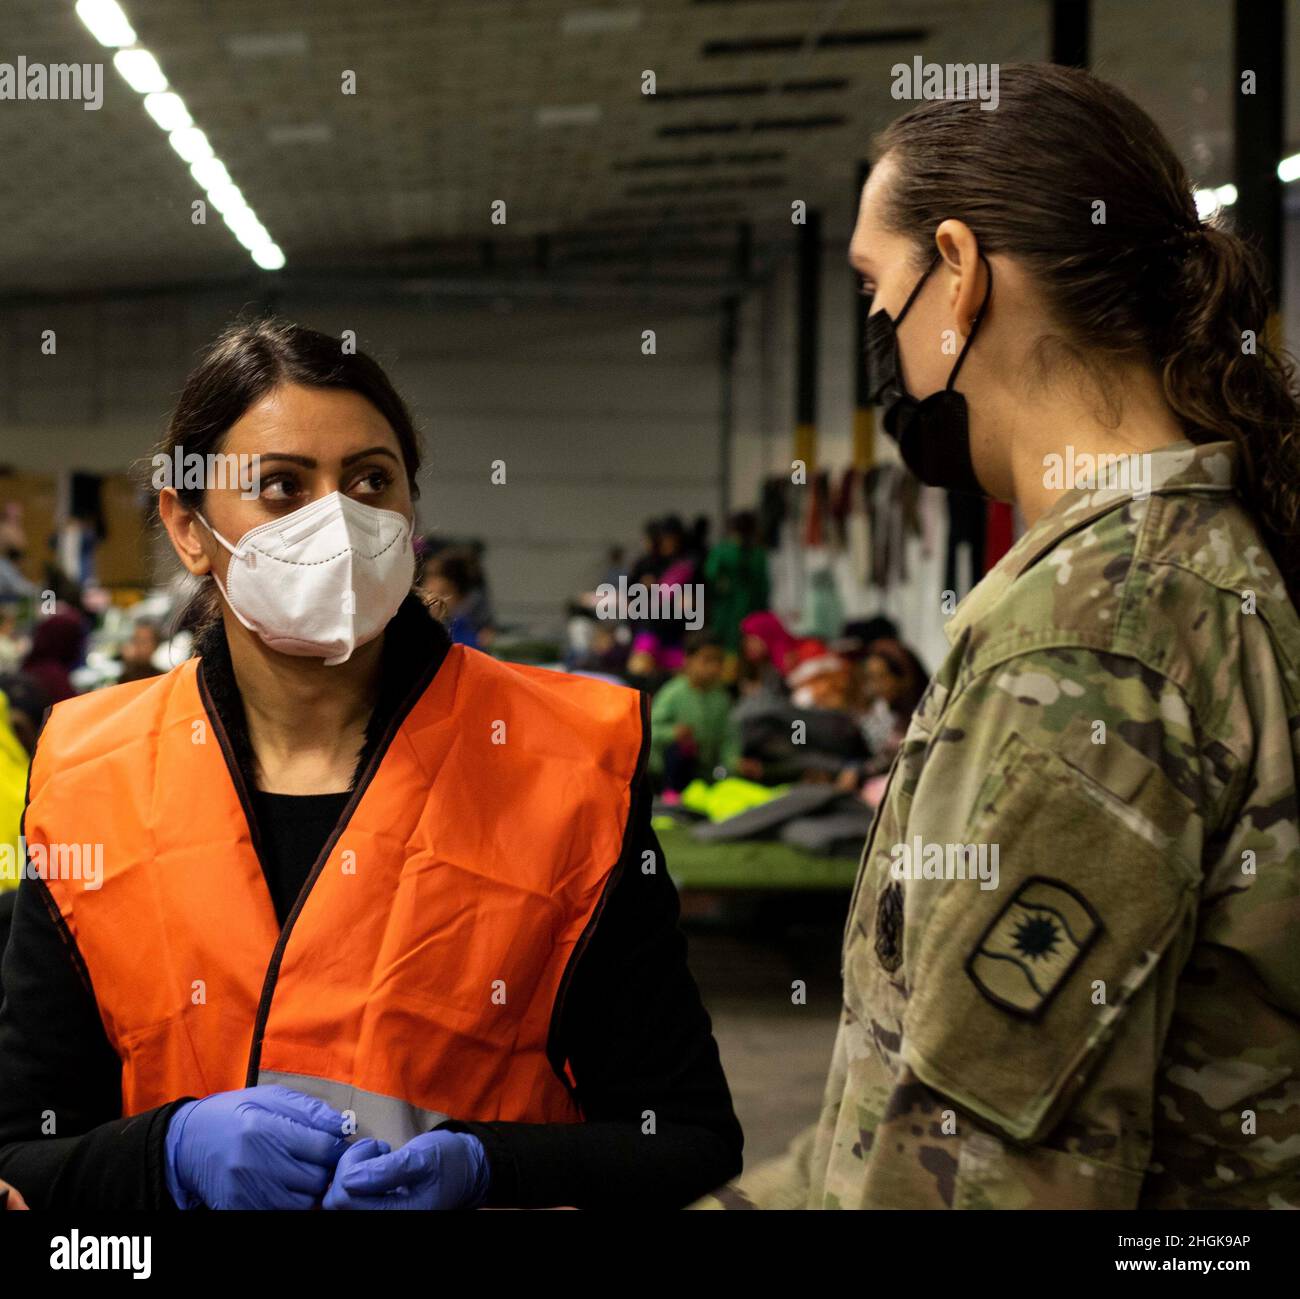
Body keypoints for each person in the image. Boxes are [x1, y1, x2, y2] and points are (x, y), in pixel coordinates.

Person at [697, 63, 1300, 1209]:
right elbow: (884, 1130)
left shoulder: (1091, 643)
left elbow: (975, 1181)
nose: (876, 325)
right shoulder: (1195, 560)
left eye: (878, 285)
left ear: (960, 274)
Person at [0, 317, 741, 1212]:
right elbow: (23, 1149)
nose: (339, 522)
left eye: (370, 481)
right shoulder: (93, 775)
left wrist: (484, 1165)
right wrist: (167, 1154)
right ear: (189, 528)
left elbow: (687, 1136)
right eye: (281, 486)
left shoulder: (564, 760)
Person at [649, 631, 745, 792]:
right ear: (688, 660)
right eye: (707, 660)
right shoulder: (673, 693)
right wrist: (673, 733)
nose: (714, 667)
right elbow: (649, 731)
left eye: (719, 661)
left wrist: (734, 763)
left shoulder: (721, 699)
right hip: (665, 774)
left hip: (705, 774)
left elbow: (729, 738)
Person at [703, 510, 770, 655]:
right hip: (752, 612)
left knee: (726, 652)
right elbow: (764, 587)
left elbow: (710, 577)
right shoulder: (758, 554)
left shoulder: (721, 552)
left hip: (726, 613)